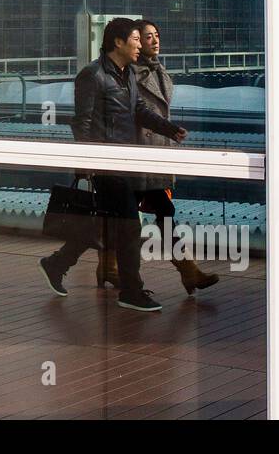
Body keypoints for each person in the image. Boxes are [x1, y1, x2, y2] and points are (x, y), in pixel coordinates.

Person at [40, 18, 188, 312]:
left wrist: (168, 128)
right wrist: (89, 163)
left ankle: (56, 263)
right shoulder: (92, 76)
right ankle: (131, 291)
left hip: (126, 161)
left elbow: (138, 110)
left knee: (104, 223)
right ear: (118, 43)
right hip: (106, 166)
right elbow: (81, 122)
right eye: (135, 39)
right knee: (130, 226)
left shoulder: (126, 74)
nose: (140, 45)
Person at [135, 20, 219, 295]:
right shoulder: (131, 74)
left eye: (157, 35)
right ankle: (187, 271)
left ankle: (110, 267)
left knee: (141, 215)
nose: (155, 40)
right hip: (139, 152)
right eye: (148, 37)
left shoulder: (158, 69)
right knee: (155, 214)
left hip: (156, 151)